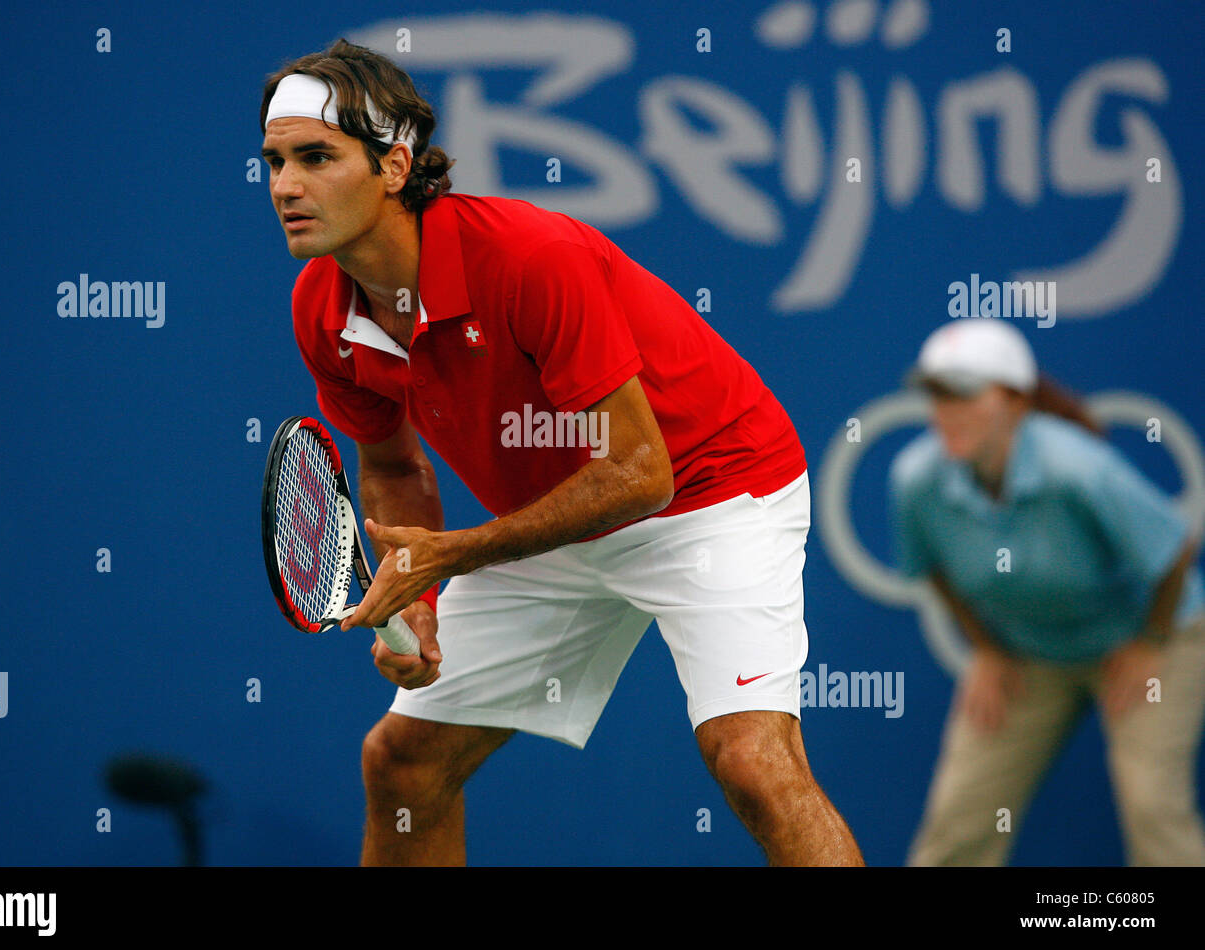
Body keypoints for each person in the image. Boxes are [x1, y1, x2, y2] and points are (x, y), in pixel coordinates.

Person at [259, 37, 863, 866]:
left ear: (394, 166)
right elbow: (395, 466)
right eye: (275, 161)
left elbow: (641, 474)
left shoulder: (531, 258)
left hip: (711, 494)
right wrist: (420, 608)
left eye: (315, 157)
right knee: (402, 765)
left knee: (752, 763)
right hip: (556, 521)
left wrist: (453, 555)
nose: (286, 186)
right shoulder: (322, 308)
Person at [890, 317, 1205, 866]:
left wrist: (1150, 641)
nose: (946, 412)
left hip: (1156, 640)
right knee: (960, 816)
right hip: (1029, 652)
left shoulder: (1077, 468)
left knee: (1154, 808)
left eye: (963, 394)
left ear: (1014, 402)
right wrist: (986, 648)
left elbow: (1174, 548)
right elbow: (933, 567)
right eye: (936, 396)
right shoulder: (915, 480)